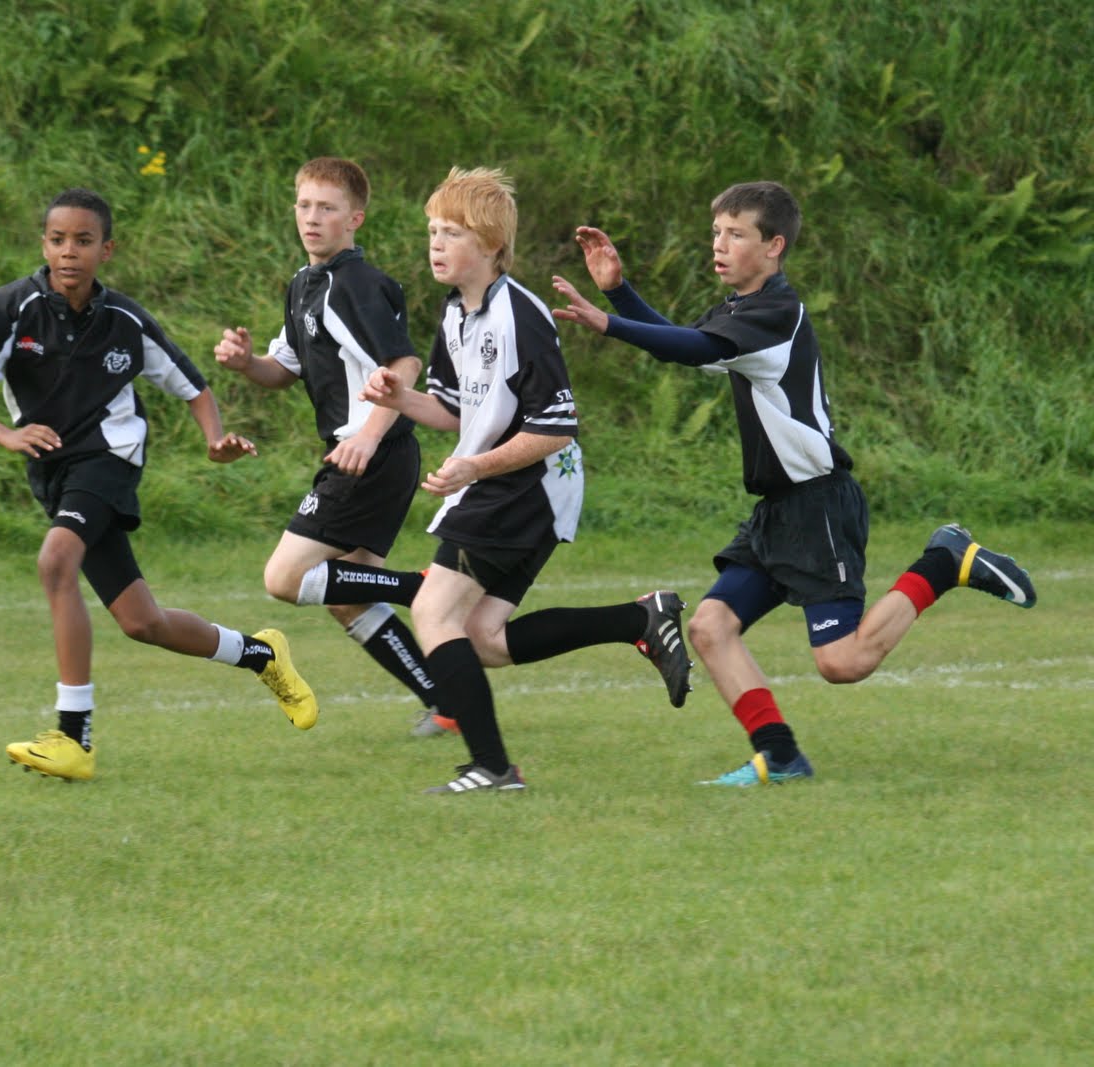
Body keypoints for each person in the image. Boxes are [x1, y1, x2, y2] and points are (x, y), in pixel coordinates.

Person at [551, 180, 1037, 786]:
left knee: (842, 662)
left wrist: (610, 321)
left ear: (774, 246)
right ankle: (780, 758)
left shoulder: (777, 313)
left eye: (736, 235)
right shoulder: (738, 311)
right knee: (710, 625)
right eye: (716, 233)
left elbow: (689, 347)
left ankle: (944, 561)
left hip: (818, 507)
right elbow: (695, 347)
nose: (720, 246)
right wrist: (619, 293)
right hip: (779, 510)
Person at [0, 187, 317, 783]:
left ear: (107, 249)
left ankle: (74, 738)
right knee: (142, 622)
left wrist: (213, 440)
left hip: (109, 459)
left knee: (55, 562)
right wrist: (6, 435)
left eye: (84, 241)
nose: (70, 252)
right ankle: (261, 654)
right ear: (44, 245)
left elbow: (194, 387)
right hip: (55, 472)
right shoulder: (12, 308)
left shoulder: (124, 320)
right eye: (58, 240)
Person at [360, 166, 692, 794]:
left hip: (527, 483)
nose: (436, 244)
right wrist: (402, 399)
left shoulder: (520, 314)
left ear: (490, 245)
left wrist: (472, 466)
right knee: (483, 639)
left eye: (452, 233)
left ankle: (490, 767)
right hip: (509, 484)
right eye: (432, 231)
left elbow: (557, 428)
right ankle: (640, 619)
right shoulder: (456, 313)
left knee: (433, 611)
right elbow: (458, 411)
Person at [214, 157, 447, 738]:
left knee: (285, 579)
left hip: (369, 453)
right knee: (346, 598)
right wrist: (248, 364)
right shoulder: (305, 284)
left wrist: (367, 436)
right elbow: (283, 369)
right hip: (372, 455)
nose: (312, 218)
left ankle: (420, 586)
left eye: (327, 208)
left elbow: (405, 362)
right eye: (304, 205)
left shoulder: (357, 285)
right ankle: (447, 702)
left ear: (355, 220)